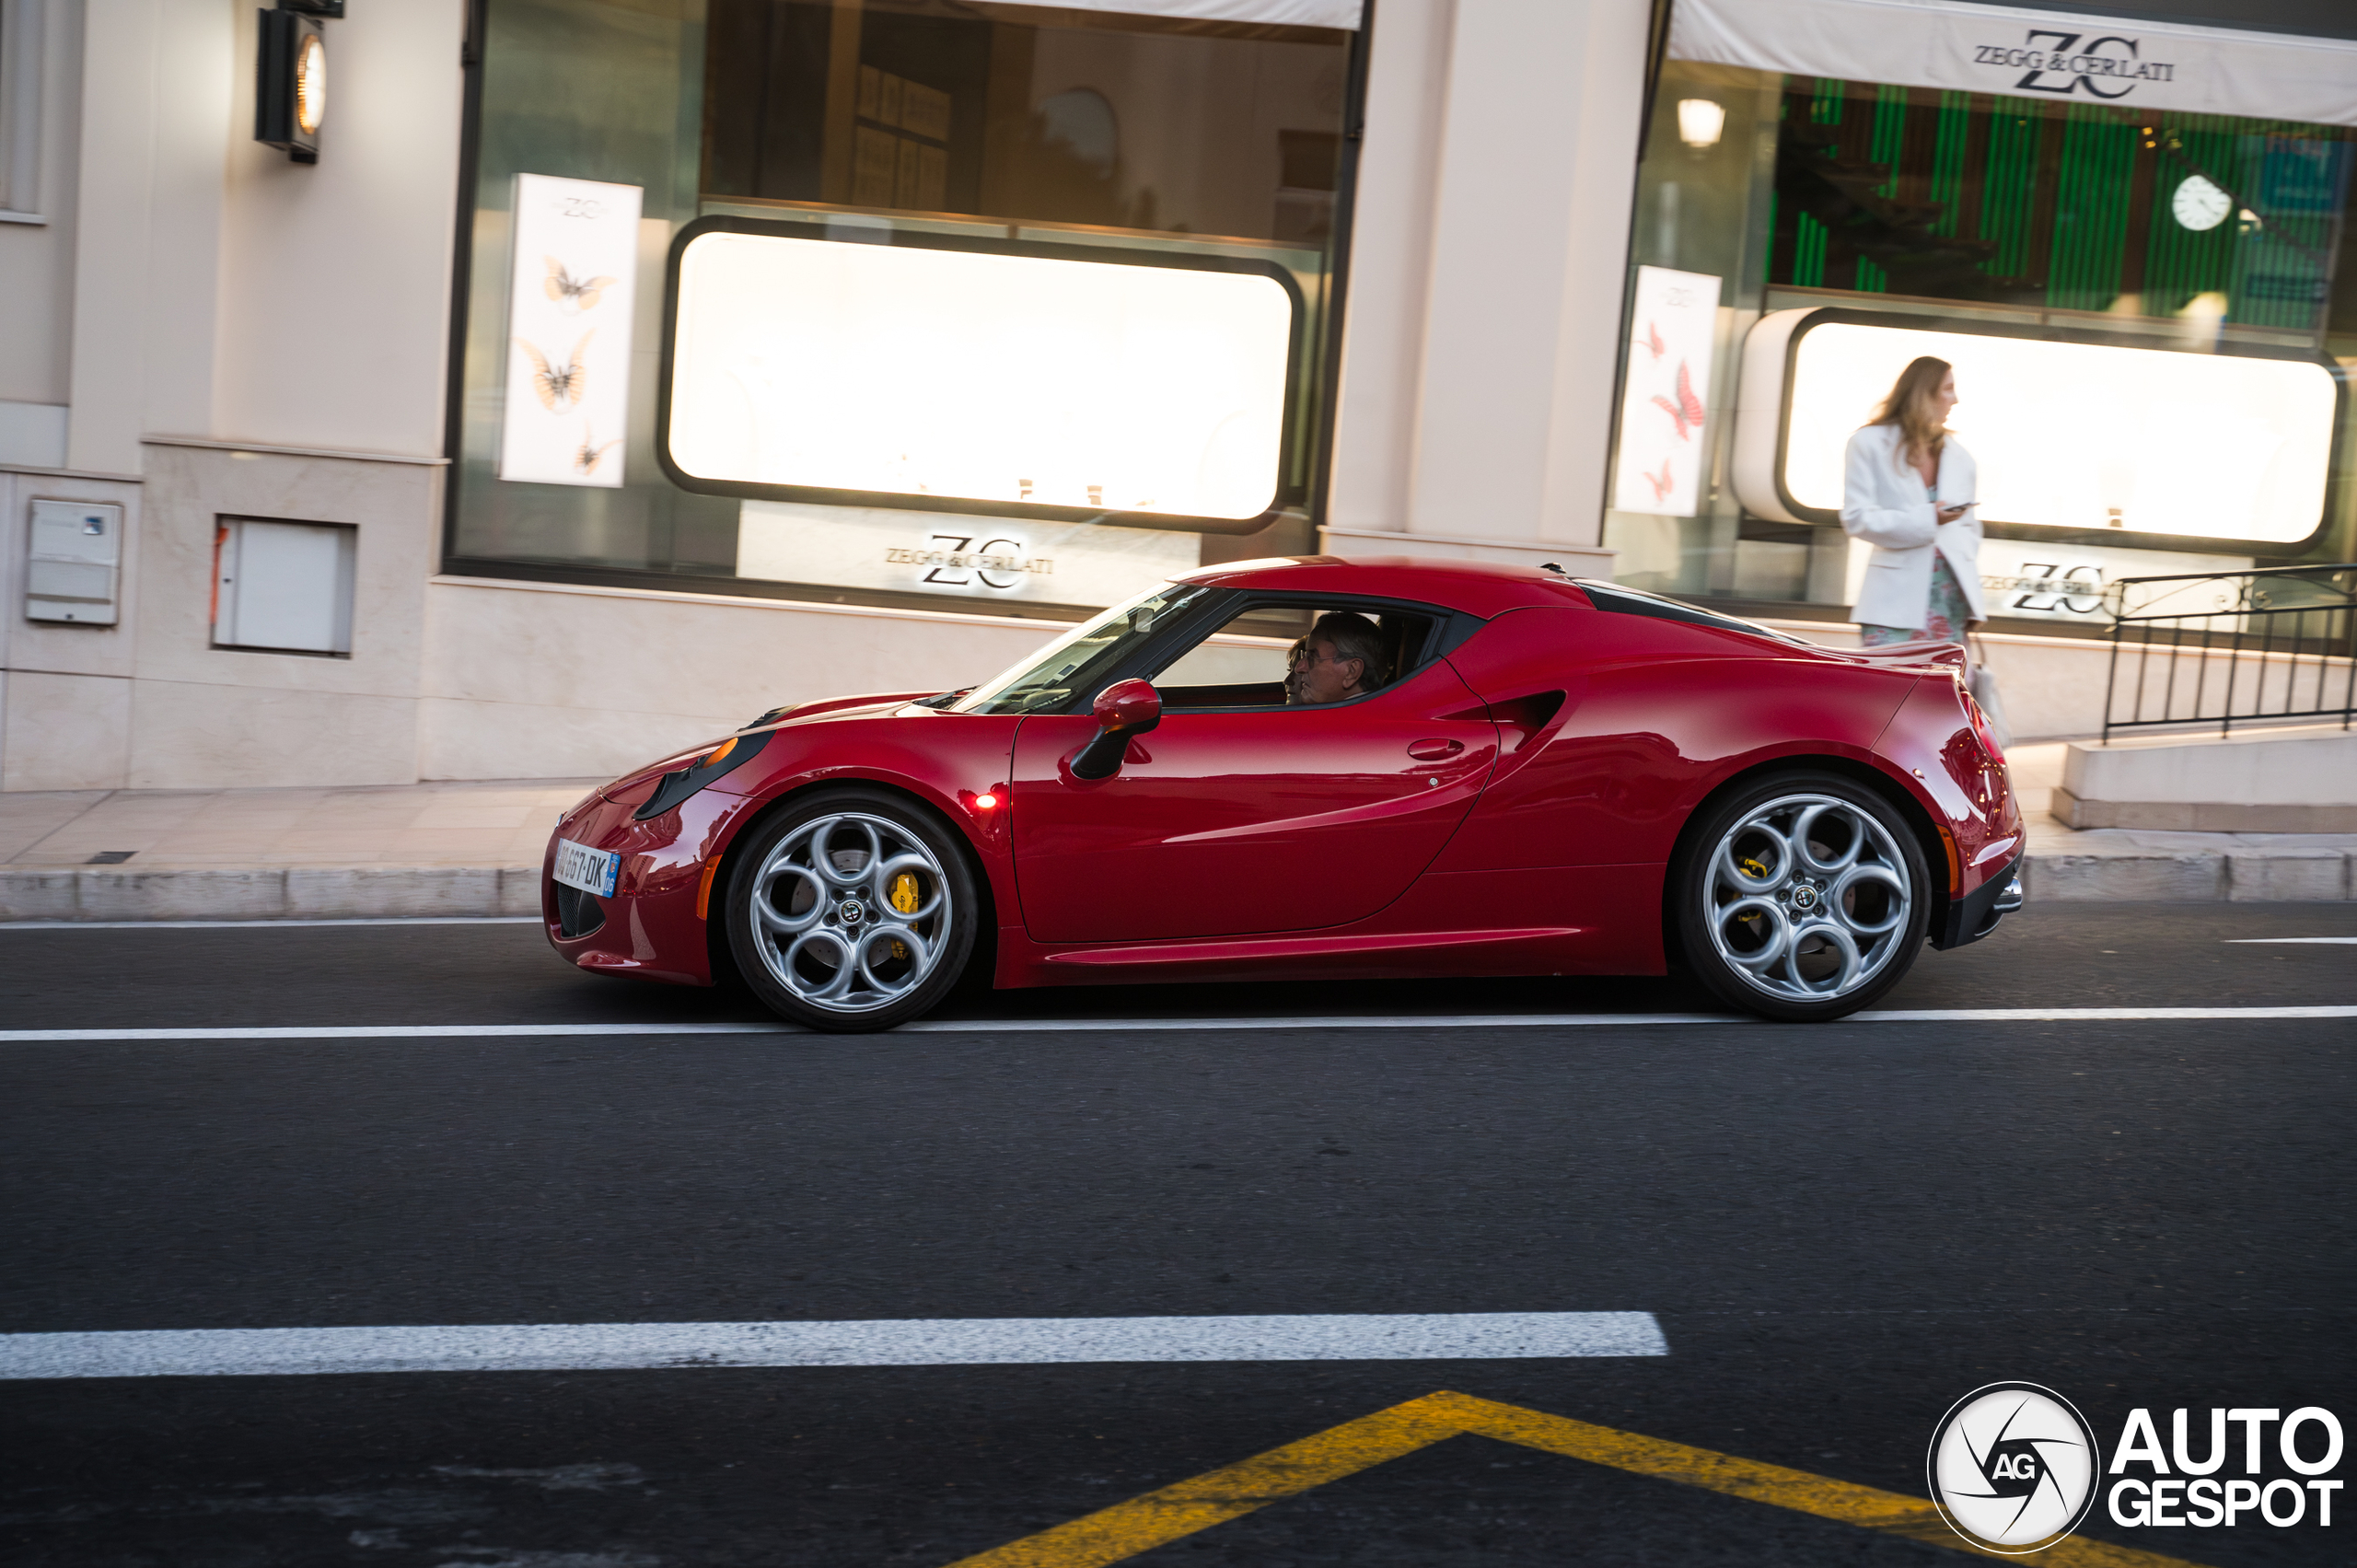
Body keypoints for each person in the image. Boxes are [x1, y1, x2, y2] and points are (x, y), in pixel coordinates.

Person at [1841, 355, 1986, 646]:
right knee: (1886, 688)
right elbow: (1857, 518)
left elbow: (1970, 529)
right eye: (1947, 389)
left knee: (1939, 690)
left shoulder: (1960, 456)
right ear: (1924, 392)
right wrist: (1928, 517)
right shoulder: (1868, 443)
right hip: (1893, 600)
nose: (1954, 400)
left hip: (1950, 598)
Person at [1285, 611, 1390, 704]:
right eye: (1305, 656)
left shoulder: (1352, 723)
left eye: (1312, 658)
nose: (1299, 668)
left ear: (1351, 671)